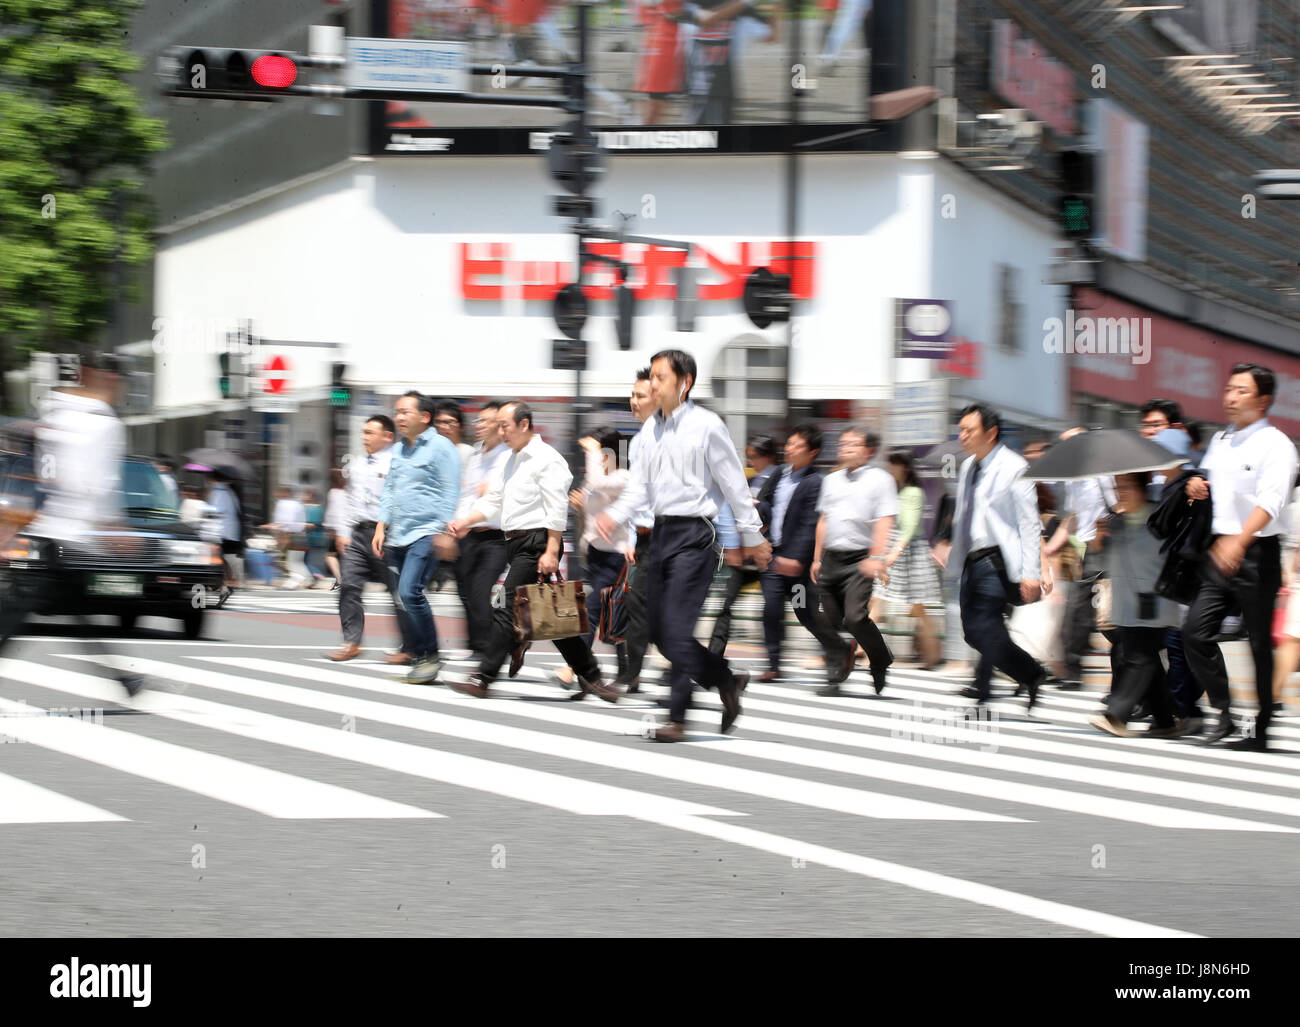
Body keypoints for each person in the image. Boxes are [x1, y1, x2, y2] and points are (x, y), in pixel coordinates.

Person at [595, 349, 772, 741]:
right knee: (660, 632)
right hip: (660, 535)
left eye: (661, 377)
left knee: (676, 631)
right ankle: (725, 680)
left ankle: (678, 717)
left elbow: (733, 485)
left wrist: (753, 536)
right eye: (651, 377)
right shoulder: (647, 434)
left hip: (696, 537)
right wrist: (616, 516)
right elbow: (638, 489)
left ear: (684, 382)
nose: (653, 384)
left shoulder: (707, 426)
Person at [448, 402, 620, 702]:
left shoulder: (546, 459)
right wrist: (466, 520)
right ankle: (592, 677)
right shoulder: (511, 460)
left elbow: (556, 507)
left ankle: (483, 677)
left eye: (505, 425)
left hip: (536, 544)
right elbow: (495, 501)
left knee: (503, 607)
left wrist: (552, 550)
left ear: (524, 424)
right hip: (515, 544)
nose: (501, 432)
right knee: (548, 616)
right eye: (498, 426)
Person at [0, 352, 144, 696]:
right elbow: (90, 481)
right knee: (16, 617)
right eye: (113, 377)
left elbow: (33, 471)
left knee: (69, 613)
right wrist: (114, 526)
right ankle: (125, 680)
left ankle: (125, 680)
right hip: (61, 533)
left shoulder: (54, 410)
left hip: (47, 532)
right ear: (100, 377)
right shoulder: (102, 423)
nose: (115, 384)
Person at [1181, 363, 1298, 751]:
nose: (1230, 397)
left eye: (1241, 391)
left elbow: (1272, 499)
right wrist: (1198, 484)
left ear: (1264, 400)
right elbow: (1210, 479)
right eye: (1229, 389)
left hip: (1255, 553)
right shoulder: (1221, 439)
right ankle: (1225, 709)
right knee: (1194, 631)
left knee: (1259, 644)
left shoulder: (1277, 445)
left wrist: (1242, 539)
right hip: (1219, 550)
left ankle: (1261, 728)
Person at [934, 403, 1049, 711]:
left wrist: (1031, 572)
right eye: (960, 430)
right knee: (973, 632)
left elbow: (1028, 523)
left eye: (969, 430)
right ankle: (1031, 673)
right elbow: (964, 515)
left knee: (985, 627)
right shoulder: (969, 466)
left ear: (991, 432)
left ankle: (1017, 677)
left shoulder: (1014, 467)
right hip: (971, 559)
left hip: (996, 561)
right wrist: (949, 546)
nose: (962, 436)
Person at [755, 424, 856, 685]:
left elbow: (810, 524)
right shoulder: (779, 474)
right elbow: (766, 502)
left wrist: (798, 559)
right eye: (789, 443)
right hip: (774, 558)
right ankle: (774, 665)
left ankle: (839, 648)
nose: (789, 448)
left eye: (797, 445)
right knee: (771, 609)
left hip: (796, 565)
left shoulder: (815, 483)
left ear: (812, 452)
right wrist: (759, 511)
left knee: (806, 613)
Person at [373, 391, 461, 685]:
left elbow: (451, 490)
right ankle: (420, 654)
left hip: (425, 532)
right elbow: (389, 490)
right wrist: (380, 525)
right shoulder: (399, 450)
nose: (398, 417)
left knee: (411, 592)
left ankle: (430, 655)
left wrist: (445, 531)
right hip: (398, 533)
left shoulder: (441, 447)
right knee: (403, 597)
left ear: (424, 417)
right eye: (396, 412)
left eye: (404, 412)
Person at [1088, 472, 1181, 738]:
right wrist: (1098, 540)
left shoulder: (1160, 519)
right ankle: (1165, 720)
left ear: (1142, 488)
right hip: (1126, 602)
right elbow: (1105, 562)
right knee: (1145, 656)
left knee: (1139, 657)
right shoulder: (1115, 523)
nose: (1121, 492)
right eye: (1118, 487)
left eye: (1127, 486)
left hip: (1154, 599)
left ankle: (1117, 715)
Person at [809, 427, 896, 697]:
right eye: (843, 443)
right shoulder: (830, 480)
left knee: (856, 618)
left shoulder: (881, 479)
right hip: (832, 558)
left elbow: (885, 520)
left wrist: (877, 557)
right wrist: (816, 558)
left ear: (869, 450)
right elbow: (824, 519)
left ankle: (878, 660)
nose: (845, 447)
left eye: (853, 444)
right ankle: (841, 660)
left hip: (861, 560)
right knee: (828, 619)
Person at [325, 415, 415, 664]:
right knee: (349, 585)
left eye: (370, 432)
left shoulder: (398, 461)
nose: (365, 437)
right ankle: (351, 641)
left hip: (387, 534)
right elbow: (348, 500)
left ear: (387, 436)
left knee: (398, 591)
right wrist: (344, 532)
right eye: (364, 432)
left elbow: (401, 499)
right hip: (359, 533)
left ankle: (409, 646)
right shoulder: (357, 464)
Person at [558, 425, 633, 687]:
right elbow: (591, 519)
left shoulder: (623, 477)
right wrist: (580, 508)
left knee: (593, 611)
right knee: (612, 614)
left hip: (617, 557)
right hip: (596, 554)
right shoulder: (599, 478)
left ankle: (575, 667)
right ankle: (626, 672)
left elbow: (599, 483)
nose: (595, 458)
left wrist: (591, 451)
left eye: (600, 452)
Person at [451, 400, 511, 663]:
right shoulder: (476, 456)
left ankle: (491, 648)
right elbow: (467, 494)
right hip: (470, 533)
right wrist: (457, 522)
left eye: (485, 421)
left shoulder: (508, 456)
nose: (479, 425)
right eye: (478, 420)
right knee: (467, 591)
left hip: (497, 537)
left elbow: (495, 497)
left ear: (500, 426)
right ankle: (478, 645)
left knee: (480, 589)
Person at [1057, 429, 1117, 691]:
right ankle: (1072, 670)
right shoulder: (1073, 477)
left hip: (1103, 548)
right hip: (1080, 548)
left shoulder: (1102, 472)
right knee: (1077, 610)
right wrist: (1053, 546)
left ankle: (1125, 676)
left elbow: (1117, 507)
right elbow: (1072, 517)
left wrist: (1103, 531)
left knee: (1106, 613)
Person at [709, 434, 779, 656]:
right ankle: (715, 653)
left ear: (768, 456)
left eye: (755, 456)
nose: (751, 461)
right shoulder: (749, 481)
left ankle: (774, 659)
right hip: (745, 552)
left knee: (782, 606)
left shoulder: (779, 479)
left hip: (769, 553)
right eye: (748, 456)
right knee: (726, 605)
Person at [872, 449, 942, 670]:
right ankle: (862, 651)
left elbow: (910, 526)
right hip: (894, 549)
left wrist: (895, 551)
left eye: (893, 464)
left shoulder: (912, 492)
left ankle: (932, 655)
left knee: (917, 608)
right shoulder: (896, 491)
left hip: (908, 551)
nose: (889, 468)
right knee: (876, 600)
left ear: (904, 467)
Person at [611, 369, 656, 693]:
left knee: (652, 611)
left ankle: (711, 673)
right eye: (633, 394)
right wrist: (630, 536)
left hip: (672, 536)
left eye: (640, 395)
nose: (633, 401)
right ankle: (632, 674)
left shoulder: (673, 437)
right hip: (644, 537)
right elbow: (637, 492)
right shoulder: (640, 440)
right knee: (638, 606)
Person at [206, 470, 243, 605]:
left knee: (216, 559)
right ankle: (226, 584)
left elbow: (214, 513)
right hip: (228, 532)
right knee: (220, 559)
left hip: (219, 532)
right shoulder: (229, 492)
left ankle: (224, 586)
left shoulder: (218, 493)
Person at [323, 468, 348, 589]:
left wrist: (329, 527)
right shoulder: (348, 492)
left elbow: (332, 512)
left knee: (330, 555)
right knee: (348, 555)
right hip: (349, 528)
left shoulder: (333, 492)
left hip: (338, 529)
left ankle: (339, 579)